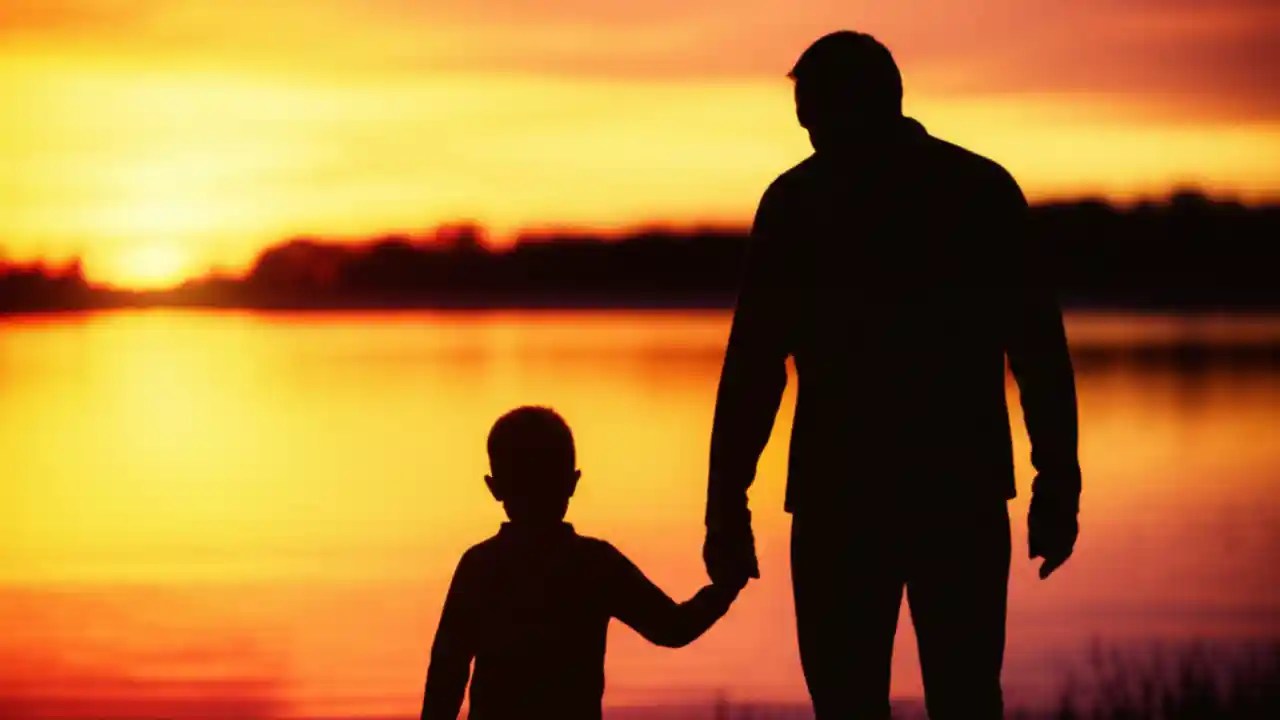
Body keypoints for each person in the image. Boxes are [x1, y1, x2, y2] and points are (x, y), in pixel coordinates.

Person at [702, 31, 1082, 719]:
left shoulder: (799, 203)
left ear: (857, 105)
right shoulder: (979, 189)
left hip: (848, 499)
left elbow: (755, 369)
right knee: (961, 696)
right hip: (949, 493)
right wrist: (1057, 483)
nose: (808, 131)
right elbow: (1040, 355)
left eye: (814, 115)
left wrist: (726, 503)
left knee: (864, 701)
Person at [422, 406, 744, 720]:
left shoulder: (479, 567)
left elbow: (446, 676)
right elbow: (672, 628)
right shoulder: (595, 564)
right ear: (572, 483)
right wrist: (723, 589)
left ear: (494, 488)